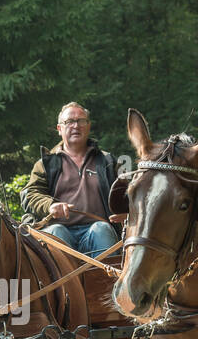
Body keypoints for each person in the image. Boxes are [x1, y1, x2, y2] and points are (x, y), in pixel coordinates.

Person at [20, 102, 124, 258]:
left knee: (102, 228)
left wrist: (125, 212)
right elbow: (29, 195)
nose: (76, 126)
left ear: (88, 126)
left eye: (81, 121)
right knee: (56, 232)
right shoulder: (46, 164)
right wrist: (50, 206)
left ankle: (108, 282)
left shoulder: (107, 161)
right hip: (58, 229)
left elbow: (126, 192)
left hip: (97, 230)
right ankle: (62, 283)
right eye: (69, 122)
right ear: (59, 129)